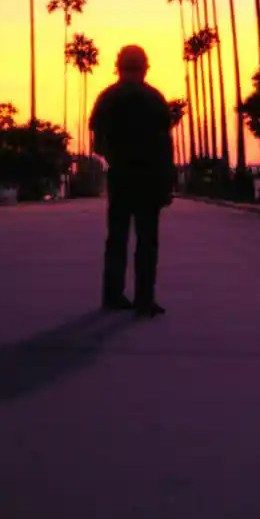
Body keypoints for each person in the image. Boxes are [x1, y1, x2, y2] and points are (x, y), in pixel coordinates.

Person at [89, 45, 174, 317]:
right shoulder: (154, 99)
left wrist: (116, 156)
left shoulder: (108, 98)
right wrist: (166, 181)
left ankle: (113, 296)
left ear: (119, 67)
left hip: (122, 176)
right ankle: (144, 299)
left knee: (117, 237)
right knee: (146, 240)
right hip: (149, 177)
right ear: (145, 68)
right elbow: (165, 144)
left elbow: (98, 143)